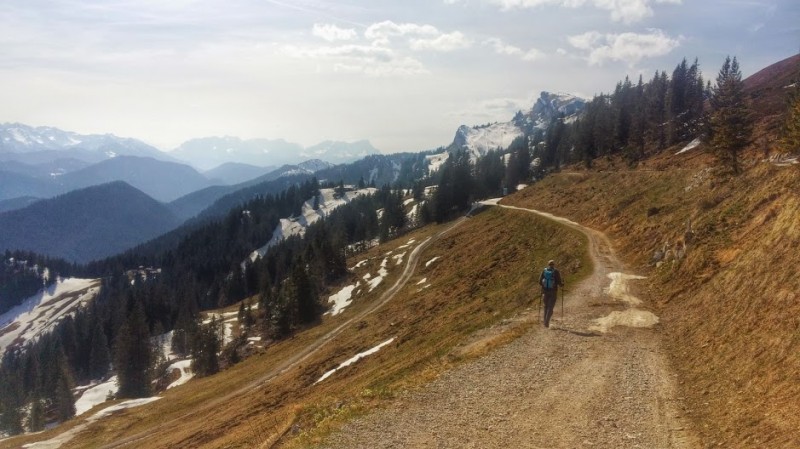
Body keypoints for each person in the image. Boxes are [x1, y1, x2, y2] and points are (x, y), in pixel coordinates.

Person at [539, 259, 564, 328]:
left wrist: (544, 286)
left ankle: (545, 321)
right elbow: (559, 282)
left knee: (545, 306)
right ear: (554, 264)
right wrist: (562, 284)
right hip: (553, 291)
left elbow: (540, 281)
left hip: (545, 291)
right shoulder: (556, 271)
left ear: (548, 264)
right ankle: (546, 322)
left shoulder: (544, 271)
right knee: (550, 307)